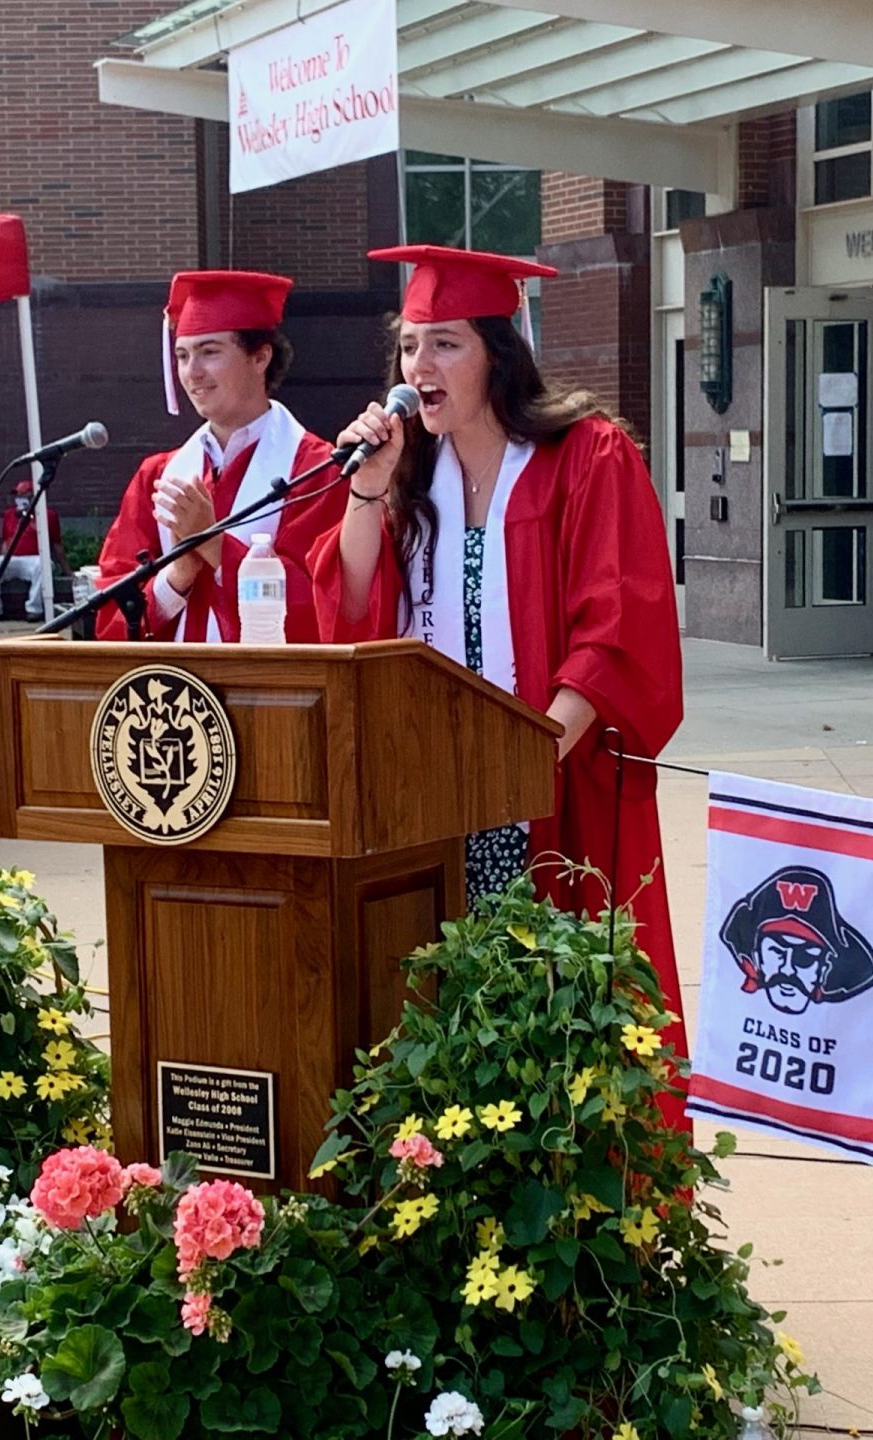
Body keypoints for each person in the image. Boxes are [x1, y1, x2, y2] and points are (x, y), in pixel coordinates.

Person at [317, 244, 688, 1113]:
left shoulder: (586, 456)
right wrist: (363, 491)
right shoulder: (407, 470)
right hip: (435, 801)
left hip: (555, 789)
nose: (420, 367)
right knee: (453, 1024)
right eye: (409, 346)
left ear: (499, 347)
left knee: (562, 1020)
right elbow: (352, 609)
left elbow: (618, 625)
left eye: (444, 343)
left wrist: (526, 761)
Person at [95, 270, 343, 643]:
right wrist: (178, 575)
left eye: (209, 352)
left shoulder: (316, 471)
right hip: (175, 696)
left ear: (260, 357)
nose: (192, 373)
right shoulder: (158, 476)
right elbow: (110, 618)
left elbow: (323, 608)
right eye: (182, 355)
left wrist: (214, 545)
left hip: (272, 695)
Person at [0, 477, 66, 620]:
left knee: (43, 565)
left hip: (34, 558)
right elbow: (6, 542)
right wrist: (4, 559)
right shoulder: (9, 515)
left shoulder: (47, 515)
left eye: (23, 495)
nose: (19, 499)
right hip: (14, 558)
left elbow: (56, 545)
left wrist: (67, 570)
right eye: (17, 495)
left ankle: (34, 609)